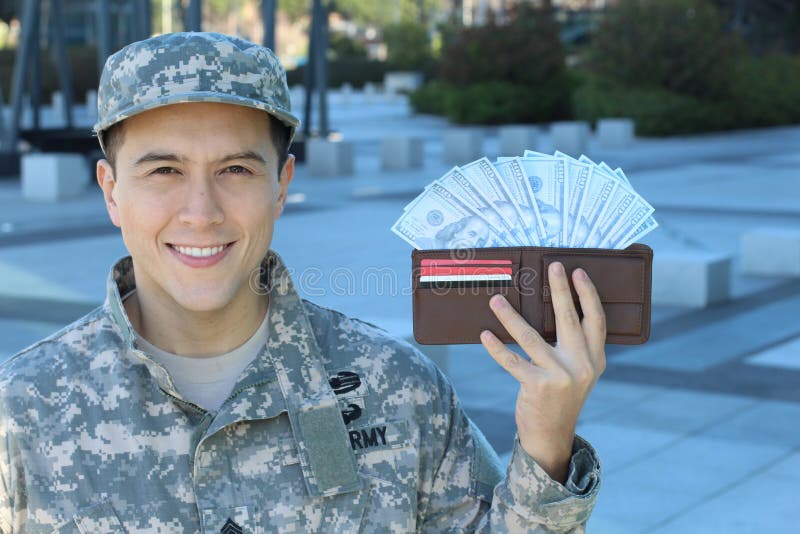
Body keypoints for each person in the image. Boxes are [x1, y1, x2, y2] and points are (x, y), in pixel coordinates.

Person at [0, 32, 606, 533]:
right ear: (111, 192)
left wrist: (547, 446)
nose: (201, 212)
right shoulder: (22, 411)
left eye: (236, 169)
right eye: (163, 170)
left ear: (282, 185)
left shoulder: (400, 388)